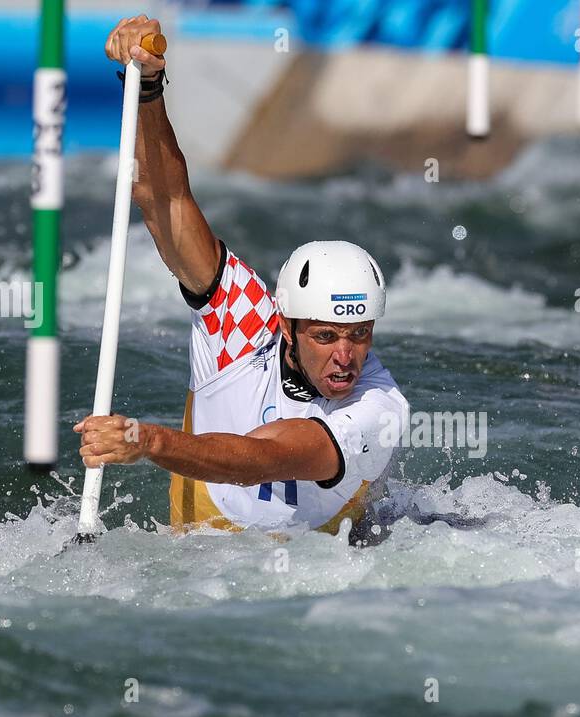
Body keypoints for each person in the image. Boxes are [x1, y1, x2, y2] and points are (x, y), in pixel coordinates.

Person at [75, 15, 409, 536]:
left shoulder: (379, 406)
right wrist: (145, 86)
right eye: (325, 335)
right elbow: (164, 199)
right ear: (285, 324)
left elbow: (266, 456)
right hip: (197, 578)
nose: (346, 357)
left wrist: (146, 441)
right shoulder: (241, 323)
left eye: (358, 334)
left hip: (317, 590)